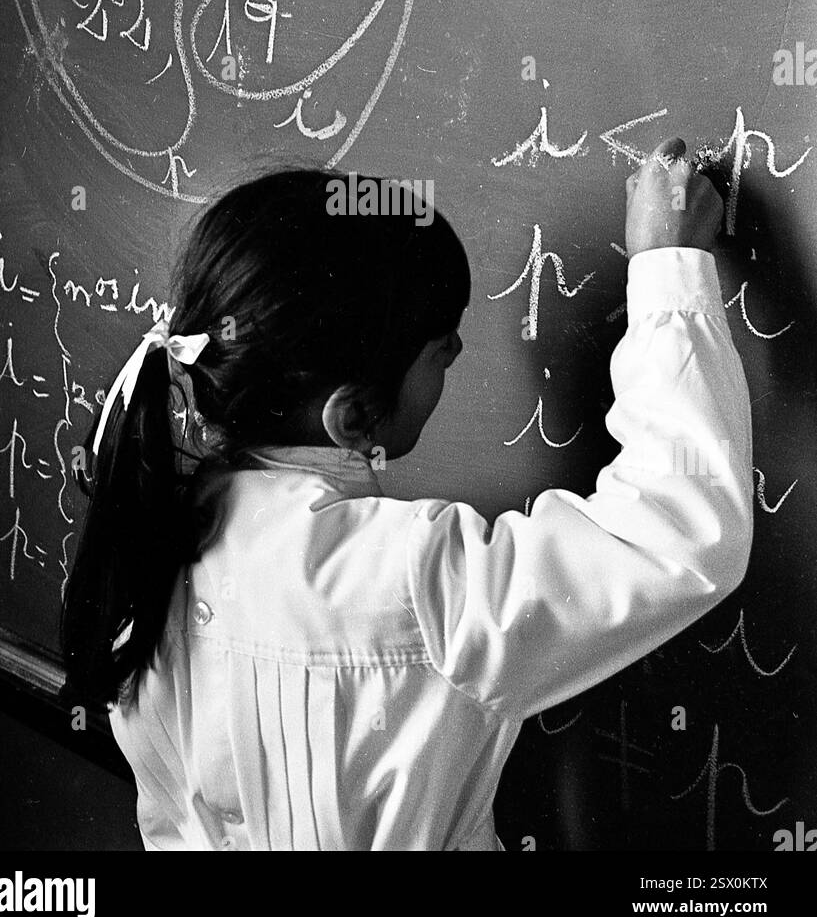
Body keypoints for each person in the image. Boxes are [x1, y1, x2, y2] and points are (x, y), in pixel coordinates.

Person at [61, 137, 753, 851]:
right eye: (439, 344)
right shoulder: (417, 581)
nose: (456, 352)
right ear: (352, 416)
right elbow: (676, 533)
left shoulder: (148, 539)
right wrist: (668, 270)